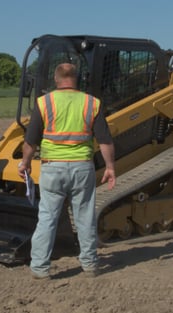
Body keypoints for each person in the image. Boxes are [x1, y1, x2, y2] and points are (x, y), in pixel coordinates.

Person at [18, 63, 116, 279]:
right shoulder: (92, 103)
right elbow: (105, 140)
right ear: (76, 79)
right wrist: (110, 167)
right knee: (84, 216)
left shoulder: (44, 102)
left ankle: (40, 268)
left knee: (47, 218)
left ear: (56, 79)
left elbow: (30, 141)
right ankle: (90, 265)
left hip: (52, 168)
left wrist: (25, 162)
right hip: (82, 167)